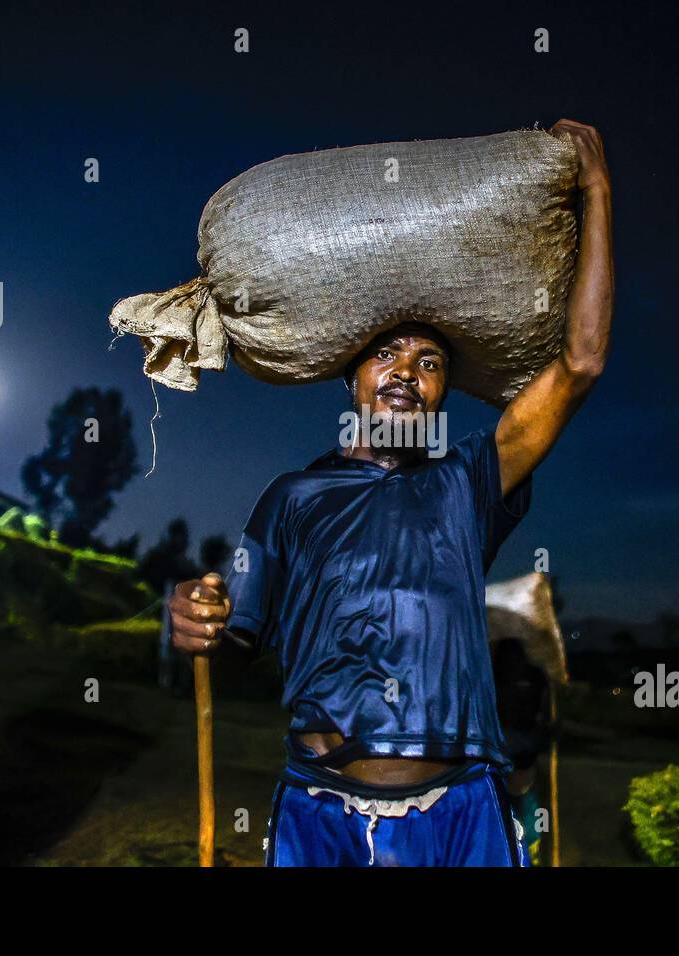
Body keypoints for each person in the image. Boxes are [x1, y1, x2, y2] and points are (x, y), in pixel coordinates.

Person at [168, 118, 613, 866]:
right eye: (386, 355)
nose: (407, 372)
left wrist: (597, 191)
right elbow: (234, 637)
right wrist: (194, 619)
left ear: (443, 394)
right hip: (320, 818)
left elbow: (580, 364)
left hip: (460, 817)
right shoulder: (292, 499)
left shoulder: (468, 482)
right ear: (353, 379)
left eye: (430, 362)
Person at [491, 637, 553, 862]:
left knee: (525, 803)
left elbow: (544, 711)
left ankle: (528, 850)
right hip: (505, 746)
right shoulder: (492, 676)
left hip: (522, 747)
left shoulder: (534, 678)